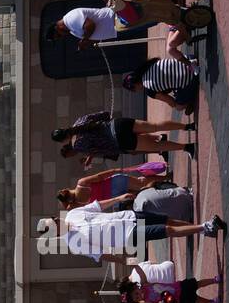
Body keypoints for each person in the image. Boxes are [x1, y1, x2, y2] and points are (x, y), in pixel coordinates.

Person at [60, 196, 224, 264]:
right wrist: (124, 260)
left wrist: (118, 198)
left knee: (167, 220)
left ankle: (202, 230)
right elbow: (99, 254)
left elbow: (96, 207)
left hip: (128, 216)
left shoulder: (73, 214)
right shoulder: (75, 244)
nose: (59, 221)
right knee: (167, 230)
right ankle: (206, 226)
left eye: (55, 219)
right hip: (128, 235)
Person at [52, 110, 194, 163]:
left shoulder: (78, 144)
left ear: (63, 140)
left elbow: (100, 150)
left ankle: (186, 147)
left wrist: (90, 158)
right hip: (118, 124)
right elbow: (104, 114)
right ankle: (188, 126)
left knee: (157, 146)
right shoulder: (79, 120)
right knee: (155, 125)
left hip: (119, 140)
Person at [121, 260, 221, 303]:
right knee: (196, 299)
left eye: (137, 294)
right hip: (176, 299)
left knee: (197, 284)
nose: (139, 296)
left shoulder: (144, 284)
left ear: (135, 287)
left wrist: (129, 261)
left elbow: (139, 270)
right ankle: (211, 302)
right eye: (137, 298)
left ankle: (214, 280)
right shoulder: (146, 301)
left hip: (178, 287)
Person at [57, 162, 169, 208]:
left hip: (116, 196)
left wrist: (68, 204)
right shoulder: (81, 183)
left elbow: (68, 209)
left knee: (142, 191)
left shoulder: (80, 204)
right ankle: (166, 178)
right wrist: (114, 170)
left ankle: (164, 188)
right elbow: (99, 176)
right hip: (115, 183)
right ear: (67, 189)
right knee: (141, 183)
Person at [124, 56, 200, 113]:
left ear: (135, 86)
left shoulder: (148, 90)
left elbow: (171, 101)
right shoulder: (149, 65)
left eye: (133, 90)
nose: (136, 91)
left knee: (178, 107)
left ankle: (189, 100)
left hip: (190, 79)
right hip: (189, 59)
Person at [48, 6, 119, 49]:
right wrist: (85, 43)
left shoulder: (70, 18)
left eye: (59, 35)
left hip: (115, 18)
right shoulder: (72, 31)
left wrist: (85, 39)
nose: (62, 36)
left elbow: (90, 25)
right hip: (115, 27)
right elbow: (91, 36)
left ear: (56, 28)